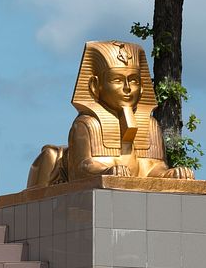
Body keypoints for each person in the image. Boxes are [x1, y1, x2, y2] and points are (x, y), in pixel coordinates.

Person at [26, 40, 194, 188]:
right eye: (117, 80)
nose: (127, 88)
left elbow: (152, 168)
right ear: (95, 86)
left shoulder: (151, 125)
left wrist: (169, 174)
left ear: (142, 87)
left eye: (133, 80)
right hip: (64, 178)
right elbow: (82, 169)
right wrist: (106, 171)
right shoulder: (87, 124)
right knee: (49, 156)